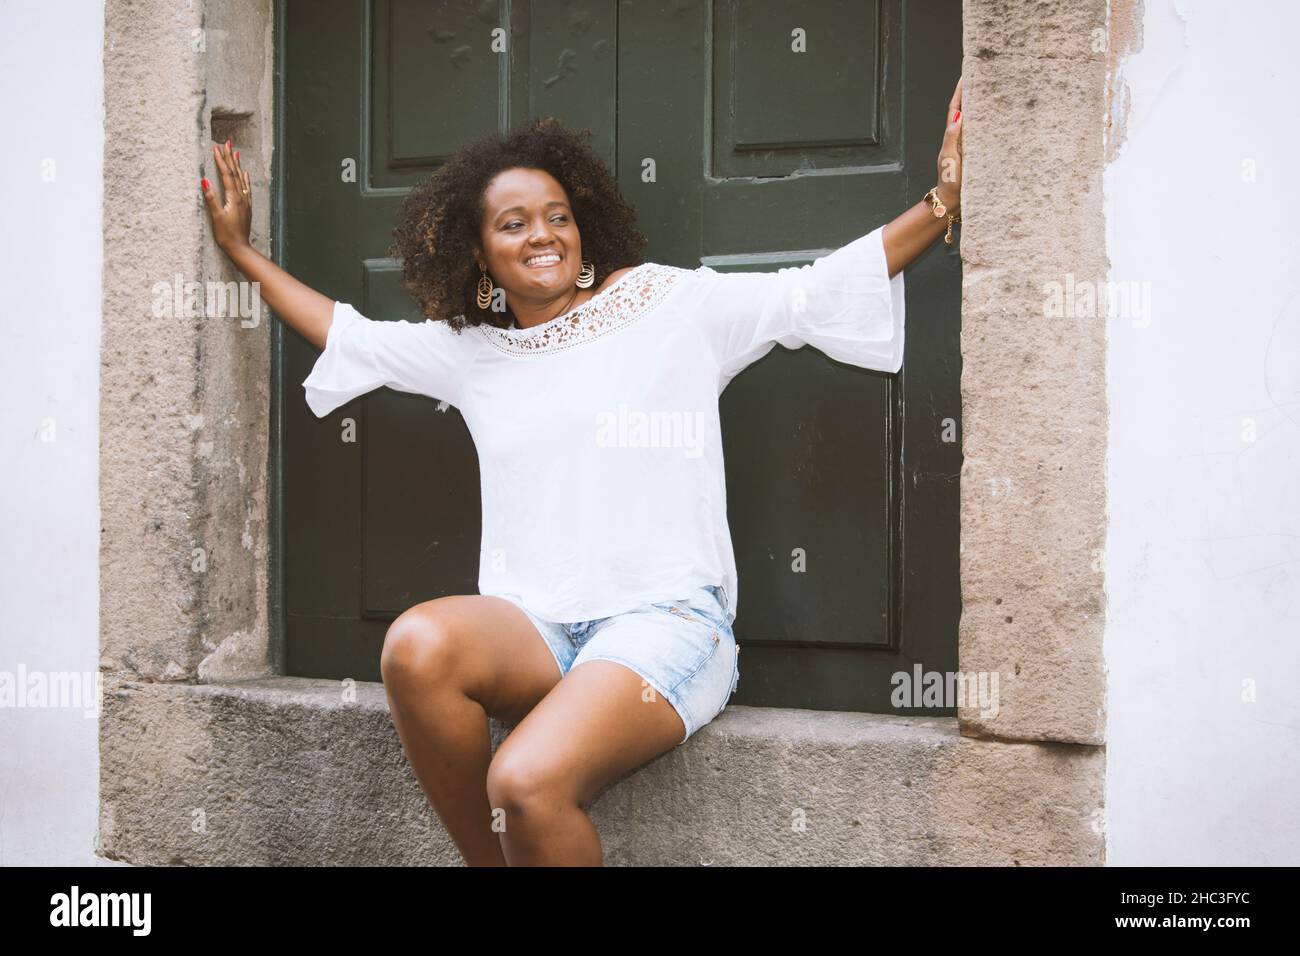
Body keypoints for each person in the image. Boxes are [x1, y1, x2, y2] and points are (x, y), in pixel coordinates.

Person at [202, 79, 964, 867]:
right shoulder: (473, 351)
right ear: (479, 253)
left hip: (665, 626)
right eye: (514, 223)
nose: (543, 235)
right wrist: (242, 252)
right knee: (415, 646)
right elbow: (349, 336)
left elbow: (811, 292)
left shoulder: (670, 306)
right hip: (535, 629)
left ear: (583, 227)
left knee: (524, 781)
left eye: (558, 216)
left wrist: (944, 199)